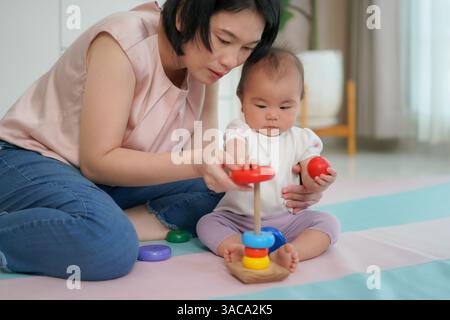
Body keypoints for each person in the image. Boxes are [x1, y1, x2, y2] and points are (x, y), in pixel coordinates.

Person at [0, 1, 322, 281]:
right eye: (224, 39)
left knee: (218, 192)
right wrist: (199, 163)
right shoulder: (123, 43)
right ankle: (99, 227)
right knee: (110, 246)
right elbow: (98, 163)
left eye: (247, 48)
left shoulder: (205, 66)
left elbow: (207, 149)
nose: (231, 60)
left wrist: (293, 179)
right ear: (183, 15)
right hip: (29, 158)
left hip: (100, 182)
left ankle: (88, 220)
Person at [197, 48, 341, 273]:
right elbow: (235, 145)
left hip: (287, 220)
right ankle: (238, 247)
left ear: (299, 102)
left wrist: (320, 180)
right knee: (206, 224)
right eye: (261, 105)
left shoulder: (302, 139)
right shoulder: (241, 130)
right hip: (238, 219)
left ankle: (291, 252)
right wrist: (236, 155)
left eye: (285, 106)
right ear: (242, 101)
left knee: (329, 223)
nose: (273, 114)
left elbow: (309, 176)